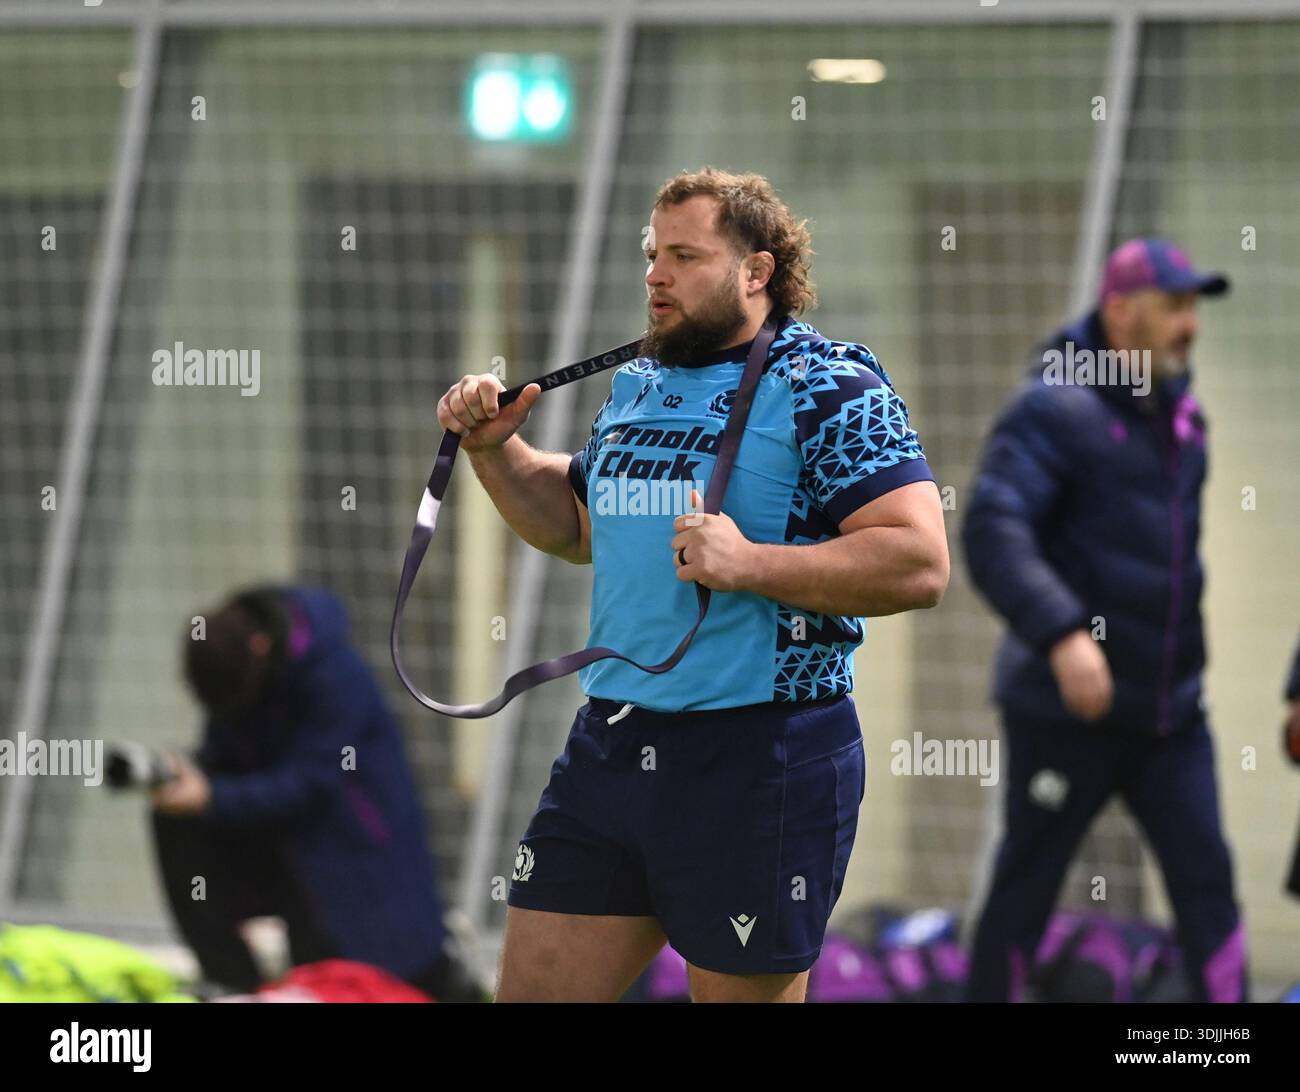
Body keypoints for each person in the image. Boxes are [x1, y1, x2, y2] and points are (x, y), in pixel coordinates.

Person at [436, 167, 949, 1002]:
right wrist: (496, 451)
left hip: (763, 755)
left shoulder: (829, 385)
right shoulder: (641, 382)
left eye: (684, 255)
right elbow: (578, 528)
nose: (655, 275)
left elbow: (920, 561)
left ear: (758, 272)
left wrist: (753, 565)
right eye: (650, 254)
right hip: (613, 741)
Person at [962, 238, 1245, 1002]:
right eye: (1175, 306)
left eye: (1194, 308)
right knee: (1024, 892)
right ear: (1120, 312)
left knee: (1208, 888)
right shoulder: (1053, 407)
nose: (1191, 325)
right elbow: (992, 529)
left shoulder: (1181, 415)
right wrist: (1062, 633)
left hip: (1170, 714)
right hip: (1064, 710)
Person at [150, 584, 476, 999]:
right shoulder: (239, 678)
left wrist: (211, 795)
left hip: (353, 853)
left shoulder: (336, 676)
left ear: (261, 648)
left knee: (394, 973)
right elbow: (227, 757)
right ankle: (231, 982)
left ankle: (452, 979)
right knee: (175, 817)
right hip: (290, 852)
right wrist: (186, 777)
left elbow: (309, 785)